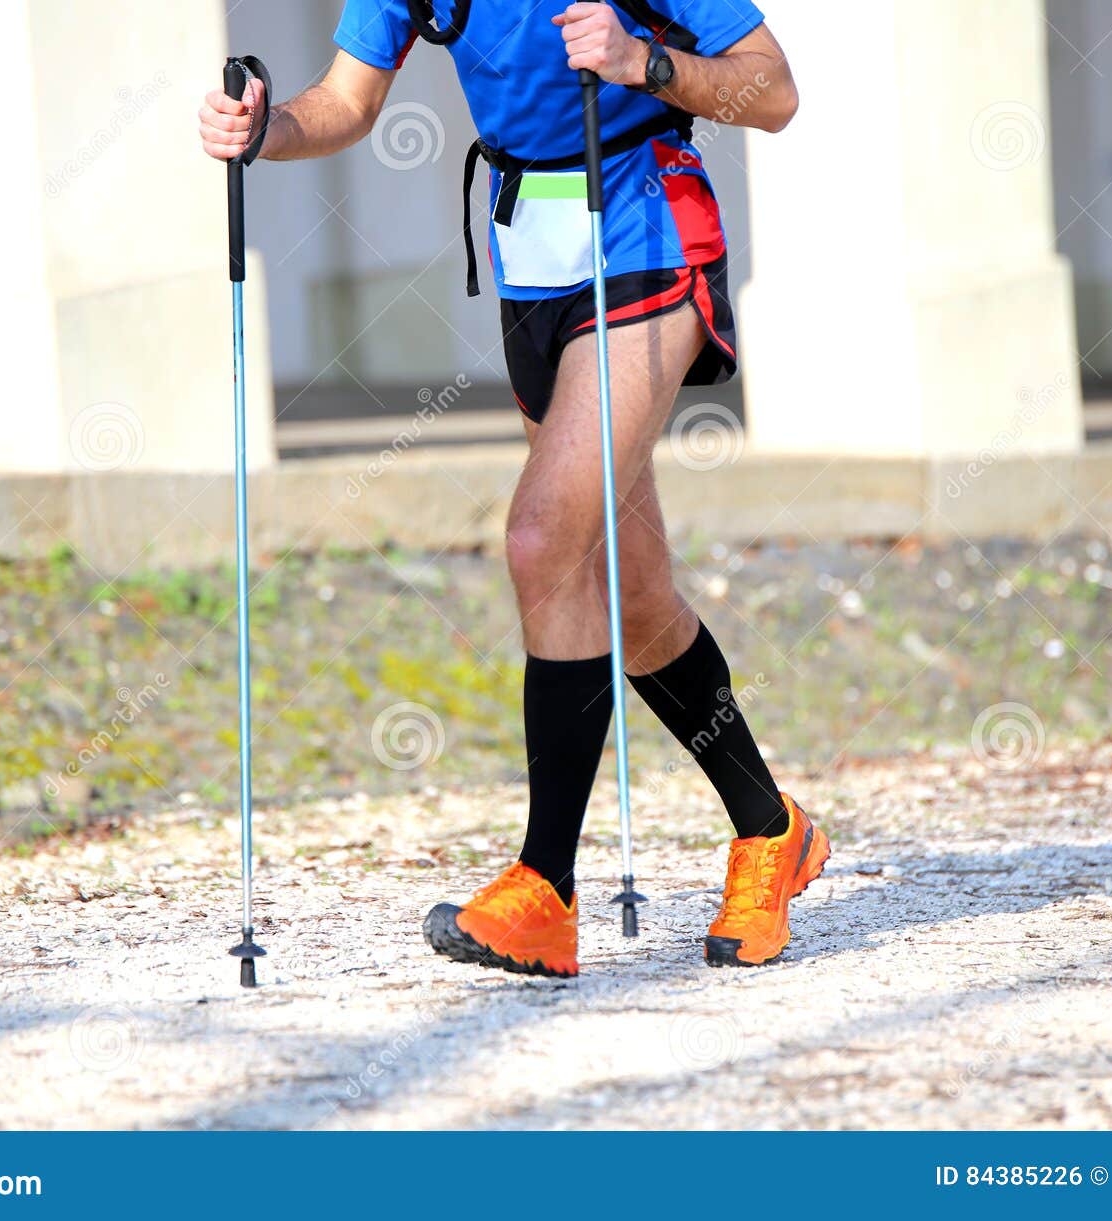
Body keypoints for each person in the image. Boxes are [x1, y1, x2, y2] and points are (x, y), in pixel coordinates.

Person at [198, 1, 826, 977]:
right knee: (629, 587)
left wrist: (641, 63)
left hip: (648, 230)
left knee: (543, 540)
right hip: (531, 260)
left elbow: (773, 92)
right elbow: (346, 102)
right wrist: (266, 132)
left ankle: (544, 889)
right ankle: (768, 827)